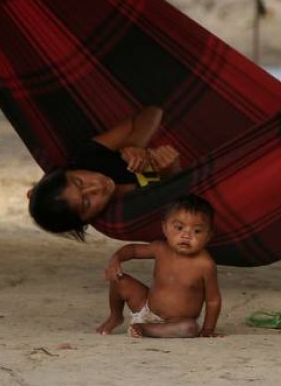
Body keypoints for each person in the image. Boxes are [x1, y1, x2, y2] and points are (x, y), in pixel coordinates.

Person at [28, 105, 181, 239]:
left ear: (69, 170)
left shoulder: (90, 159)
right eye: (86, 202)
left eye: (79, 182)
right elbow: (184, 211)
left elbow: (153, 112)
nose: (96, 187)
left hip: (184, 133)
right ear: (86, 221)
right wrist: (170, 171)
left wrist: (133, 144)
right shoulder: (122, 218)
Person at [96, 194, 222, 338]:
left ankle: (147, 330)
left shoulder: (205, 265)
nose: (186, 235)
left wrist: (208, 329)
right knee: (119, 280)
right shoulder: (160, 248)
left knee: (190, 328)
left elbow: (213, 300)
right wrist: (115, 260)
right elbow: (133, 250)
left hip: (176, 321)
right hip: (146, 306)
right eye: (179, 227)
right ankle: (116, 316)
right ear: (165, 228)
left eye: (197, 231)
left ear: (209, 235)